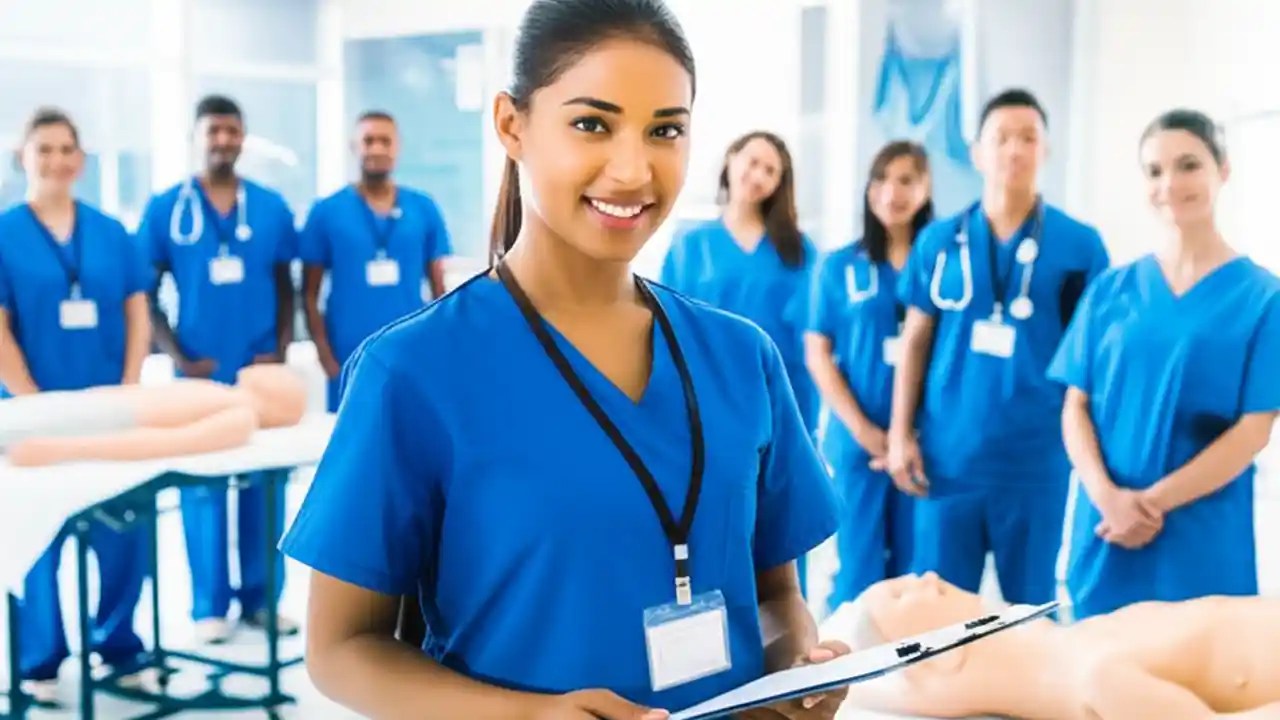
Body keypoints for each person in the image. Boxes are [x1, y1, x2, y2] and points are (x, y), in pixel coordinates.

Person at [279, 1, 852, 718]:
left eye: (665, 130)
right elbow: (341, 650)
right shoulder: (415, 372)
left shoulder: (741, 358)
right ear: (512, 125)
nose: (632, 168)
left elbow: (775, 597)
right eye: (592, 124)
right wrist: (529, 717)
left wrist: (797, 669)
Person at [1046, 109, 1280, 622]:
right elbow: (1075, 406)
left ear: (1224, 170)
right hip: (1107, 528)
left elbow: (1254, 430)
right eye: (1154, 171)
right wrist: (1109, 499)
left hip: (1200, 535)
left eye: (1188, 165)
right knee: (1093, 688)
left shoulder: (1264, 298)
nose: (1170, 183)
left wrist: (1149, 505)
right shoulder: (1110, 290)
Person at [886, 89, 1110, 607]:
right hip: (949, 458)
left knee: (1029, 611)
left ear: (1046, 149)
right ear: (977, 151)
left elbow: (1091, 362)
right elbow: (915, 340)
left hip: (1037, 461)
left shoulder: (1081, 246)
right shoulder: (940, 241)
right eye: (1001, 138)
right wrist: (900, 434)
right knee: (938, 612)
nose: (1014, 150)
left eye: (1028, 138)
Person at [0, 108, 151, 705]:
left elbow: (137, 309)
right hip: (32, 411)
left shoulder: (111, 231)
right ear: (23, 157)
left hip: (108, 405)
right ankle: (39, 659)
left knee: (125, 527)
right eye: (45, 149)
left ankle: (118, 644)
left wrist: (130, 384)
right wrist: (32, 402)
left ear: (81, 159)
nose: (57, 160)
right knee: (39, 537)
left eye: (67, 148)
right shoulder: (5, 232)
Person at [137, 94, 300, 644]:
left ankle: (260, 599)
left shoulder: (271, 207)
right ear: (197, 136)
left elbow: (286, 286)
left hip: (257, 371)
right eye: (213, 132)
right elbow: (147, 292)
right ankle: (209, 605)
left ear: (243, 137)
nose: (223, 141)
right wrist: (178, 356)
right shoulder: (166, 208)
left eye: (232, 131)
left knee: (263, 483)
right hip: (199, 372)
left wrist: (277, 350)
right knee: (203, 485)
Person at [823, 573, 1280, 720]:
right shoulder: (1099, 679)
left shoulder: (1081, 642)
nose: (924, 577)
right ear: (932, 661)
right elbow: (876, 684)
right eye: (901, 595)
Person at [805, 141, 933, 614]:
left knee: (916, 568)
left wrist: (905, 438)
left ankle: (909, 681)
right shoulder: (839, 266)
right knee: (857, 565)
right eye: (882, 179)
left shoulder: (940, 265)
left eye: (906, 179)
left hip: (922, 443)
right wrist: (867, 434)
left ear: (926, 189)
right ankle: (851, 678)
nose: (892, 192)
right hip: (856, 440)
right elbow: (818, 353)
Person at [660, 131, 819, 433]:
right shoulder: (690, 245)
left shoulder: (799, 250)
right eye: (753, 161)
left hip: (782, 396)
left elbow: (812, 335)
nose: (758, 175)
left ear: (779, 184)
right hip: (708, 394)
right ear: (732, 159)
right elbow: (668, 327)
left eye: (770, 171)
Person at [301, 111, 453, 411]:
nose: (377, 149)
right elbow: (308, 293)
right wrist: (326, 358)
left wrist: (441, 348)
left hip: (411, 354)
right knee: (355, 448)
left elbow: (439, 290)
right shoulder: (326, 212)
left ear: (397, 147)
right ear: (353, 147)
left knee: (410, 444)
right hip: (348, 357)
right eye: (368, 141)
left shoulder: (423, 208)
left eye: (385, 141)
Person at [3, 364, 307, 466]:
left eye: (281, 373)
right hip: (90, 407)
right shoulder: (226, 394)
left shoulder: (241, 417)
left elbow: (167, 442)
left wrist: (60, 450)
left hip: (100, 422)